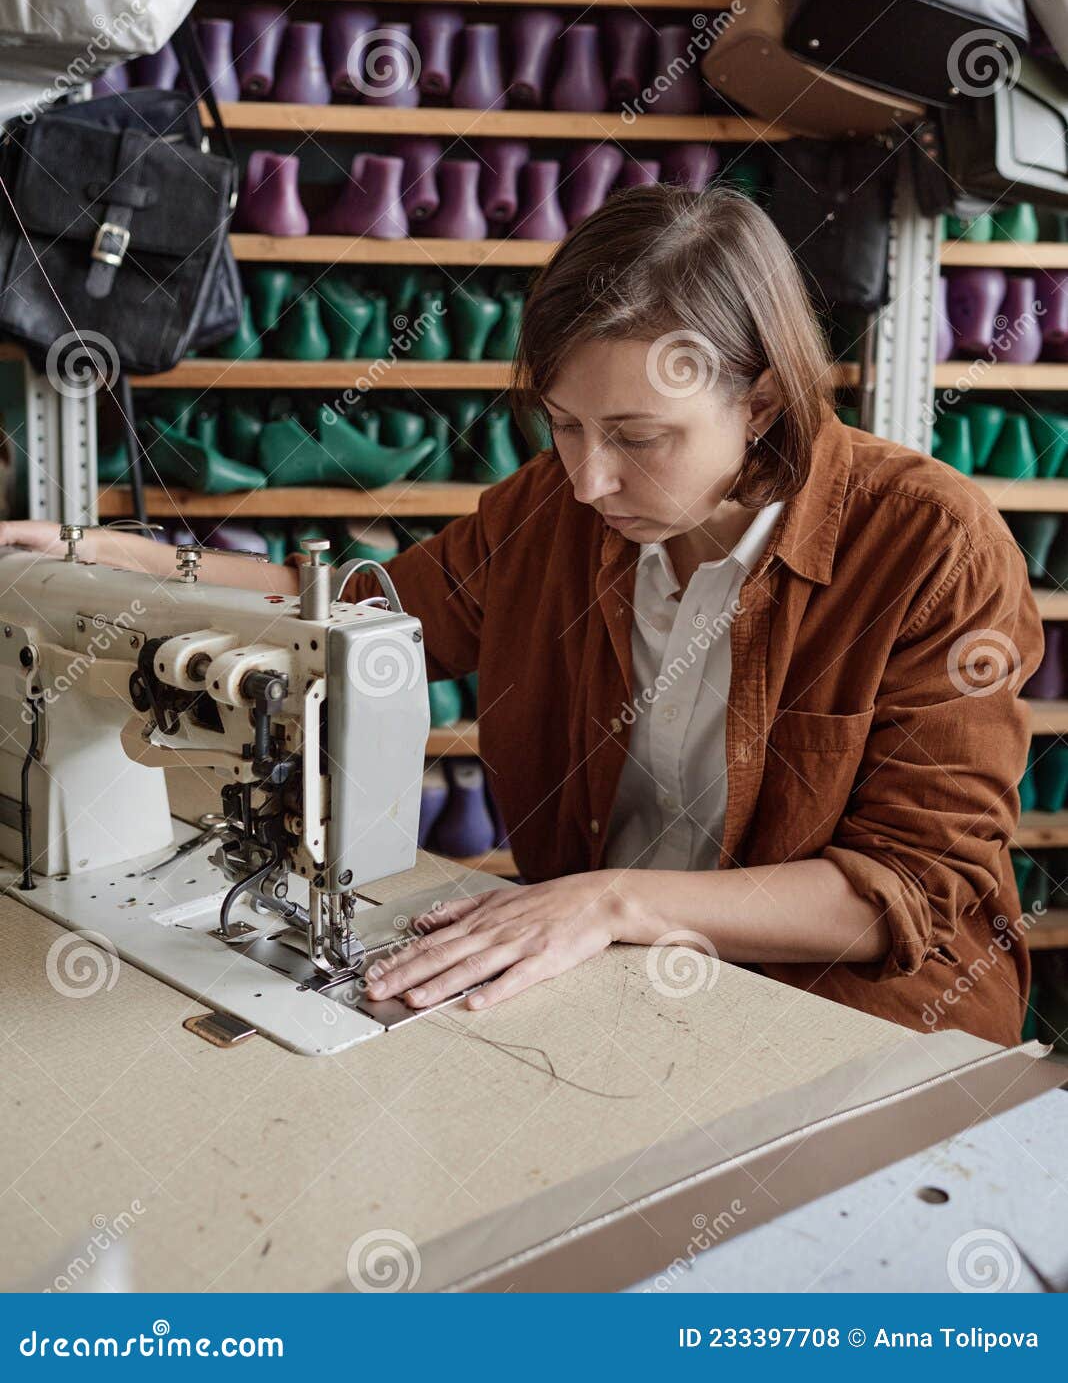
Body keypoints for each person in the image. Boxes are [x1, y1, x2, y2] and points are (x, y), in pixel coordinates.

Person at [0, 187, 1043, 1044]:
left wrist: (611, 899)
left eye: (638, 435)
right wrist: (129, 558)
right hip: (617, 990)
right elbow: (363, 615)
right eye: (564, 425)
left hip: (856, 1024)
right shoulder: (554, 512)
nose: (590, 479)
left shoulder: (928, 544)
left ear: (761, 402)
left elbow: (914, 885)